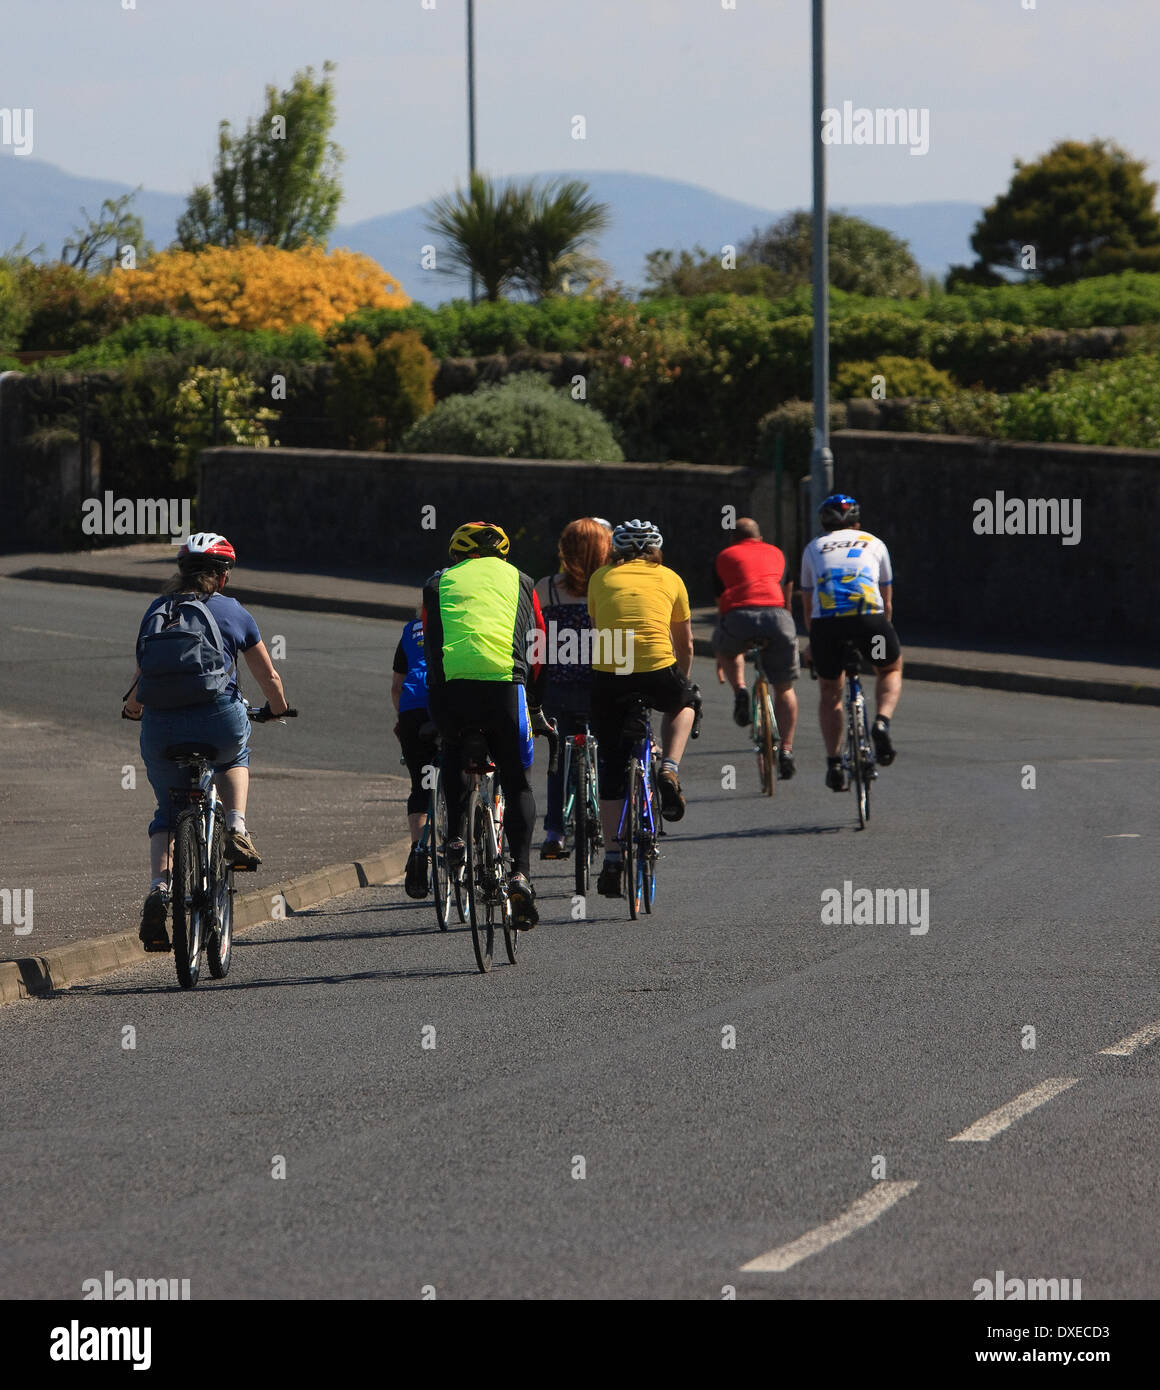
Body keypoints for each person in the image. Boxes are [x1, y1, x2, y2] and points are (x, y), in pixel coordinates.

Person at [122, 532, 292, 951]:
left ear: (181, 572)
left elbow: (144, 674)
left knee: (168, 811)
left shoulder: (157, 609)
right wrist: (277, 708)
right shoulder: (232, 611)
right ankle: (235, 827)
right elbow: (267, 676)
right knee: (235, 754)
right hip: (218, 719)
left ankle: (159, 888)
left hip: (161, 727)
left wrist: (134, 708)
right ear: (223, 575)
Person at [422, 522, 550, 928]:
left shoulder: (437, 582)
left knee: (452, 750)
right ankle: (520, 875)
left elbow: (430, 643)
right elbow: (539, 645)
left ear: (458, 555)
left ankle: (456, 839)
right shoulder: (523, 581)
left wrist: (436, 701)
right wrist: (535, 702)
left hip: (451, 691)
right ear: (502, 554)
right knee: (518, 784)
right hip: (504, 688)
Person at [586, 519, 698, 897]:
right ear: (656, 549)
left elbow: (598, 627)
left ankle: (612, 859)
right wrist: (682, 681)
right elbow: (685, 644)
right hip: (656, 668)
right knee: (686, 702)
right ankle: (669, 768)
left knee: (611, 767)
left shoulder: (600, 577)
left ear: (616, 550)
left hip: (611, 671)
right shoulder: (671, 578)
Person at [799, 494, 902, 790]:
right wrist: (883, 632)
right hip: (869, 620)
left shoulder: (813, 547)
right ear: (857, 522)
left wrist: (813, 644)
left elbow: (809, 606)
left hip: (827, 625)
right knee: (890, 669)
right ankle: (881, 722)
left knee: (830, 691)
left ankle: (834, 762)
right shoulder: (874, 542)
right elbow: (886, 602)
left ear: (824, 523)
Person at [533, 518, 612, 858]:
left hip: (558, 687)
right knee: (609, 754)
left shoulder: (546, 588)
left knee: (558, 759)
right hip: (601, 685)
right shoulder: (611, 585)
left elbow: (535, 641)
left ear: (565, 550)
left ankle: (554, 831)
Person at [711, 516, 799, 779]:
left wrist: (722, 651)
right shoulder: (777, 553)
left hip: (739, 616)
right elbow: (787, 597)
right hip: (777, 617)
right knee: (784, 688)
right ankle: (786, 750)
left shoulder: (724, 556)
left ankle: (740, 690)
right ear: (759, 537)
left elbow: (721, 604)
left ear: (733, 539)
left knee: (730, 650)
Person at [392, 611, 437, 899]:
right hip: (447, 704)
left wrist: (402, 721)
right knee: (463, 772)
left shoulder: (411, 629)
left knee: (421, 786)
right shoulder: (462, 620)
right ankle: (460, 841)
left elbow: (396, 687)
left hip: (412, 710)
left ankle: (418, 850)